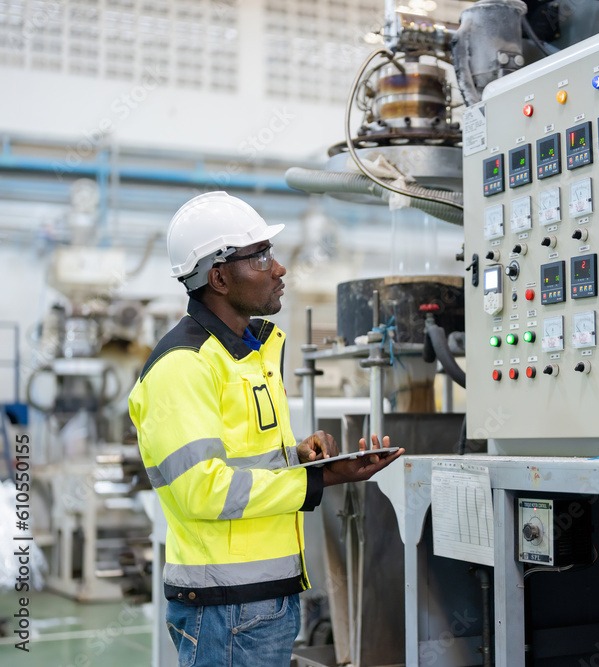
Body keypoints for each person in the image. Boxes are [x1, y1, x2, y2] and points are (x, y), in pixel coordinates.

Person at [128, 191, 404, 666]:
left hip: (260, 599)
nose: (278, 269)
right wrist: (321, 479)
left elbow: (244, 460)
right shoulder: (185, 366)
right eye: (260, 256)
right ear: (217, 277)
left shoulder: (249, 355)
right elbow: (204, 490)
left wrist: (303, 457)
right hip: (225, 607)